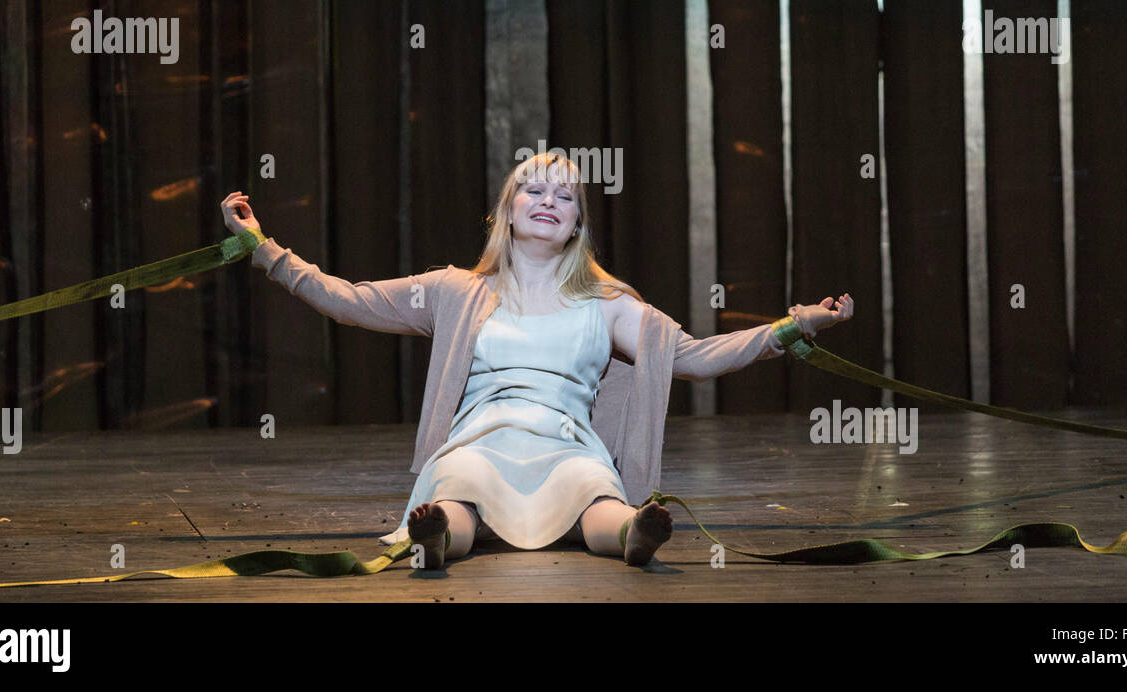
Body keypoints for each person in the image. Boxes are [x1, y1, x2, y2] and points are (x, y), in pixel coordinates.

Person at [221, 152, 853, 569]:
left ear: (578, 223)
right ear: (507, 211)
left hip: (567, 445)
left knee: (596, 502)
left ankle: (636, 534)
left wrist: (793, 328)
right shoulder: (453, 291)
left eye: (566, 196)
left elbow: (695, 356)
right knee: (458, 496)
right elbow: (350, 301)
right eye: (533, 190)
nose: (549, 201)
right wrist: (262, 247)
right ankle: (437, 537)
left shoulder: (609, 305)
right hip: (479, 440)